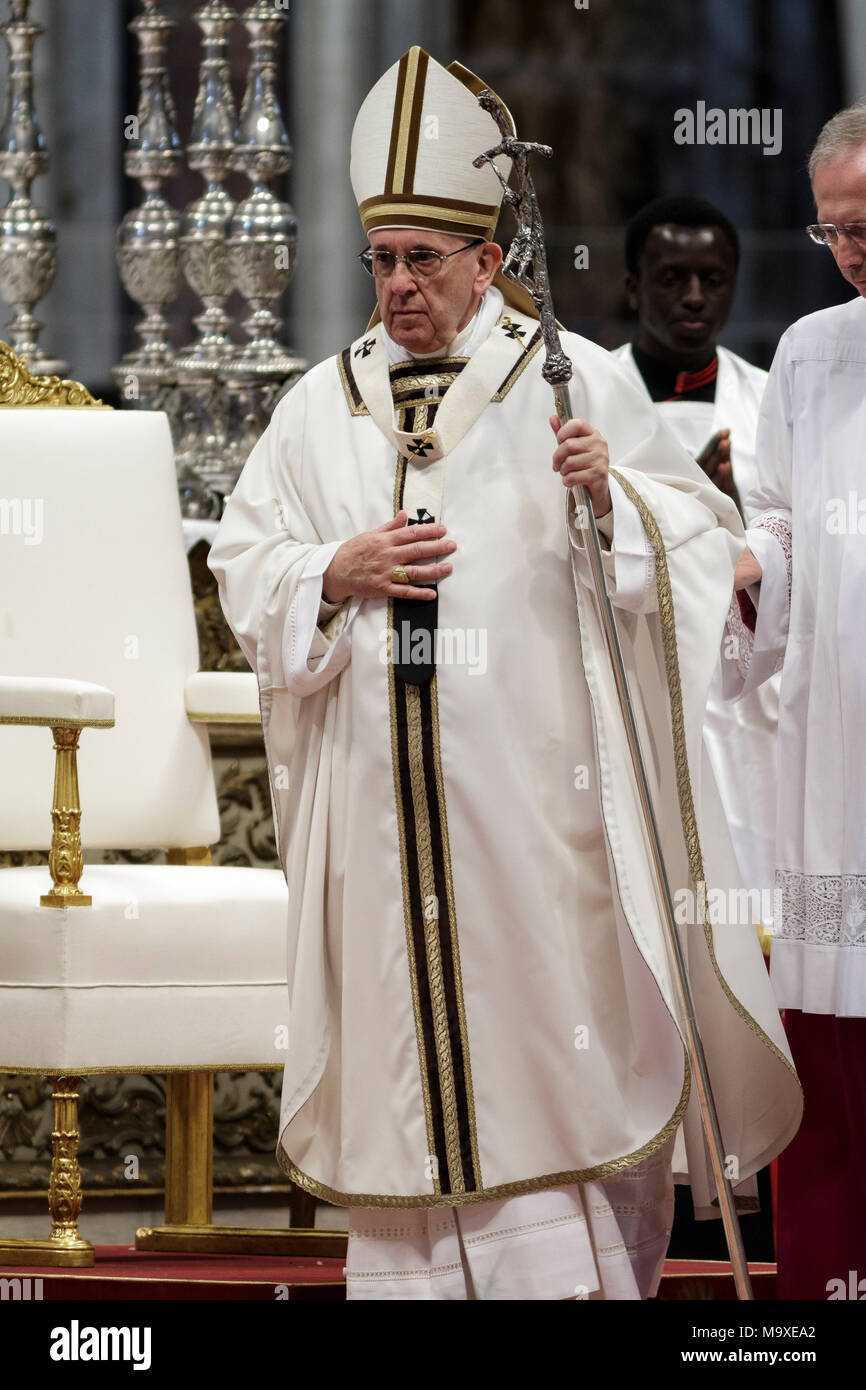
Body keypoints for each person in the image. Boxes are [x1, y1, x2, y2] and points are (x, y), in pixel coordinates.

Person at [209, 47, 800, 1301]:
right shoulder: (322, 405)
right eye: (381, 260)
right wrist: (334, 569)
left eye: (425, 260)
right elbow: (245, 564)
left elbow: (695, 545)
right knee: (408, 1071)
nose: (398, 286)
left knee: (546, 1063)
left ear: (487, 260)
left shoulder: (567, 380)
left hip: (539, 824)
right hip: (382, 827)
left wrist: (614, 500)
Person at [727, 101, 866, 1300]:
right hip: (834, 763)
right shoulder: (812, 352)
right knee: (827, 1065)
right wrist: (747, 564)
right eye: (832, 235)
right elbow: (771, 510)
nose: (853, 252)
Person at [613, 197, 778, 937]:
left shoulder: (770, 406)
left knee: (748, 908)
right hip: (629, 675)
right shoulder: (587, 400)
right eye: (670, 276)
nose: (692, 297)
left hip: (741, 701)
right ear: (630, 285)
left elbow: (806, 551)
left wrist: (737, 519)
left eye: (712, 279)